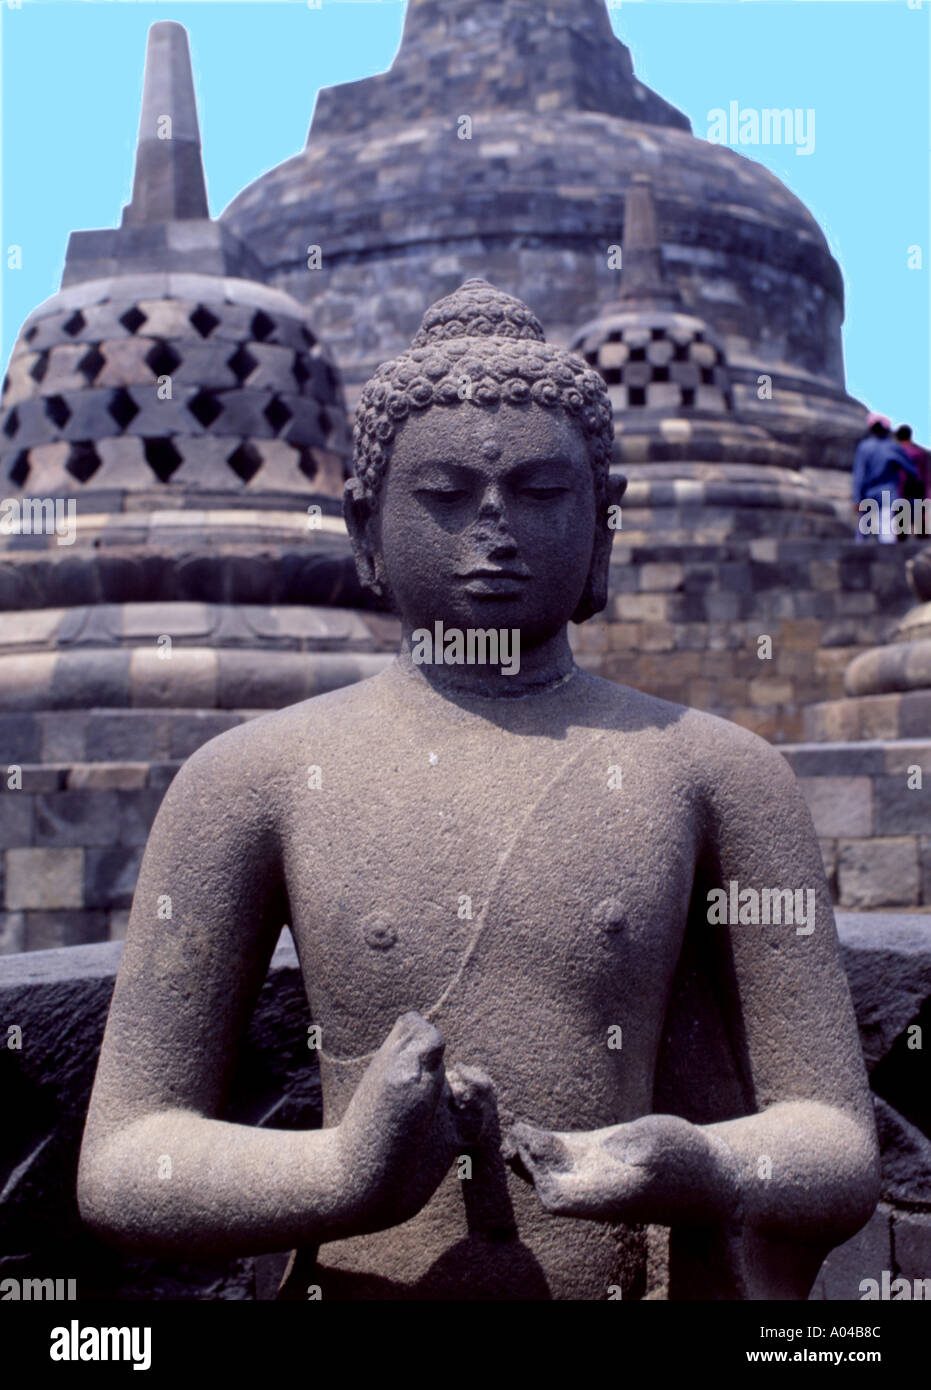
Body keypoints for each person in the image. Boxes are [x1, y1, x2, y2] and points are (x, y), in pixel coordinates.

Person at [78, 281, 879, 1301]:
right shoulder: (249, 778)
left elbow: (837, 1147)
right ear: (365, 528)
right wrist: (340, 1173)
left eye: (543, 493)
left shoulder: (714, 770)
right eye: (445, 494)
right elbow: (122, 1161)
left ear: (603, 526)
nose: (494, 527)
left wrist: (703, 1166)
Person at [852, 413, 920, 542]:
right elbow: (912, 472)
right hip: (888, 494)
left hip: (868, 494)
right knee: (887, 531)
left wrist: (857, 498)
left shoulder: (865, 447)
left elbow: (859, 475)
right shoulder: (893, 447)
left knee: (863, 532)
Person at [895, 425, 930, 538]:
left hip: (900, 494)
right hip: (918, 494)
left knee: (901, 533)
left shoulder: (894, 452)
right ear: (910, 436)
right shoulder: (920, 453)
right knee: (922, 533)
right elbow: (926, 477)